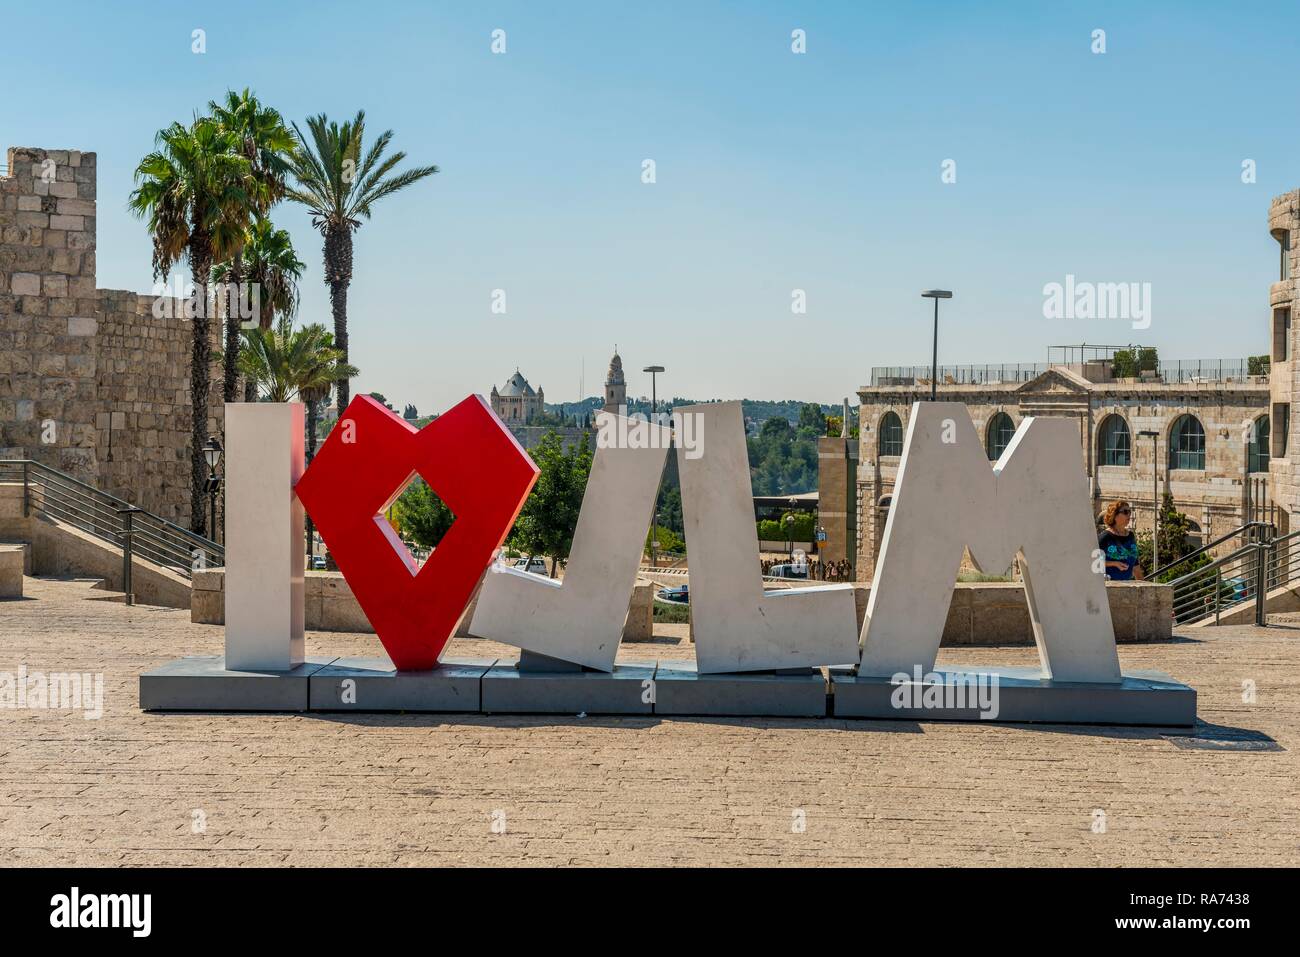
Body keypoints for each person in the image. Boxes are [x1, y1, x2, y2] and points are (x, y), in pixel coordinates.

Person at [1098, 500, 1145, 581]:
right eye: (1125, 512)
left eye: (1129, 511)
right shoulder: (1105, 537)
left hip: (1126, 586)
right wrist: (1114, 563)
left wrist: (1143, 586)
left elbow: (1135, 565)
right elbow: (1094, 562)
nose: (1129, 515)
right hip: (1108, 587)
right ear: (1114, 515)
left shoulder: (1130, 536)